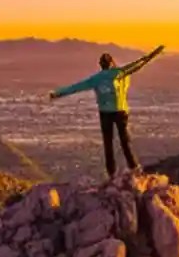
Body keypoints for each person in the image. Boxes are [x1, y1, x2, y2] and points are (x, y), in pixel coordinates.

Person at [48, 45, 166, 177]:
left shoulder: (97, 78)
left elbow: (76, 87)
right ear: (111, 63)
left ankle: (112, 173)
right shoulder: (118, 73)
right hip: (120, 111)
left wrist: (57, 94)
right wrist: (151, 56)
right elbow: (137, 65)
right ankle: (134, 168)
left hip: (105, 113)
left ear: (101, 65)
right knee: (124, 141)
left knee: (108, 143)